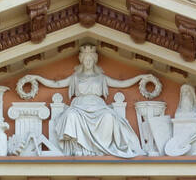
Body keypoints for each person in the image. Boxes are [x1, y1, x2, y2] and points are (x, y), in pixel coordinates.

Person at [17, 44, 157, 157]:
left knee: (109, 117)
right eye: (85, 59)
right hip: (79, 107)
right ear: (82, 60)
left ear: (94, 60)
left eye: (90, 59)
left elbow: (121, 83)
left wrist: (139, 78)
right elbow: (56, 84)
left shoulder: (101, 77)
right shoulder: (75, 78)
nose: (88, 62)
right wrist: (37, 78)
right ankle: (81, 149)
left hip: (98, 107)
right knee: (71, 115)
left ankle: (100, 149)